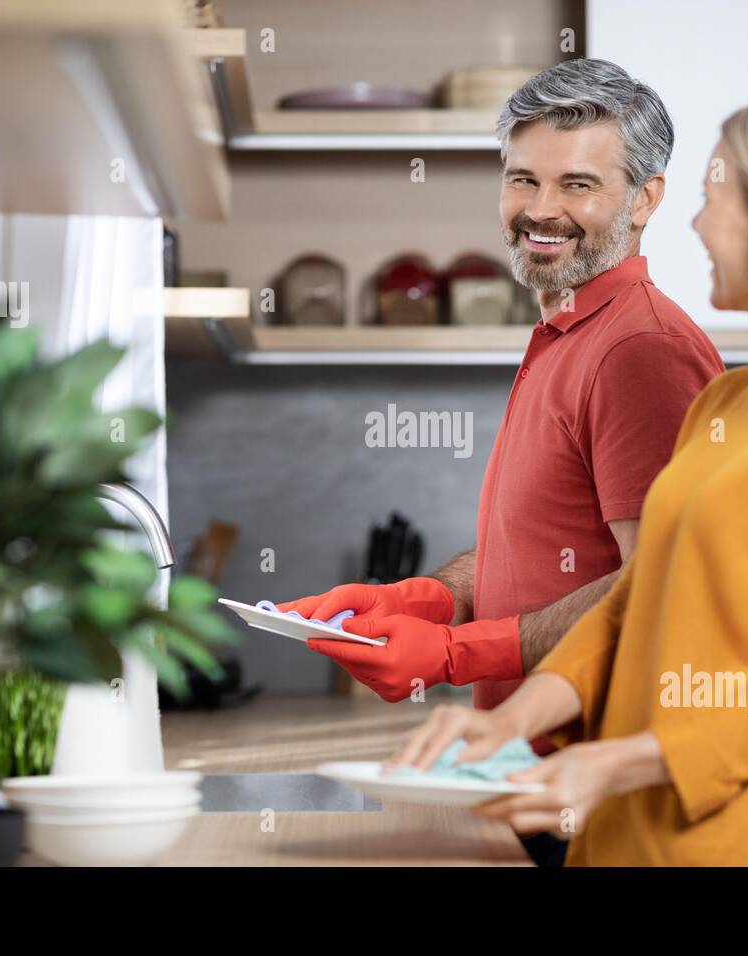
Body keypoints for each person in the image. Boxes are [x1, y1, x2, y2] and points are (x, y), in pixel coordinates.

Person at [389, 92, 748, 867]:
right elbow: (635, 599)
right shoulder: (731, 401)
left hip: (736, 838)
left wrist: (615, 761)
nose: (694, 223)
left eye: (711, 198)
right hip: (627, 832)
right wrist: (509, 719)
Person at [277, 59, 723, 866]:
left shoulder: (641, 350)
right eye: (523, 180)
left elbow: (659, 581)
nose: (541, 211)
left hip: (597, 799)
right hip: (526, 776)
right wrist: (425, 600)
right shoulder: (565, 331)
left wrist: (458, 657)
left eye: (578, 184)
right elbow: (542, 547)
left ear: (646, 199)